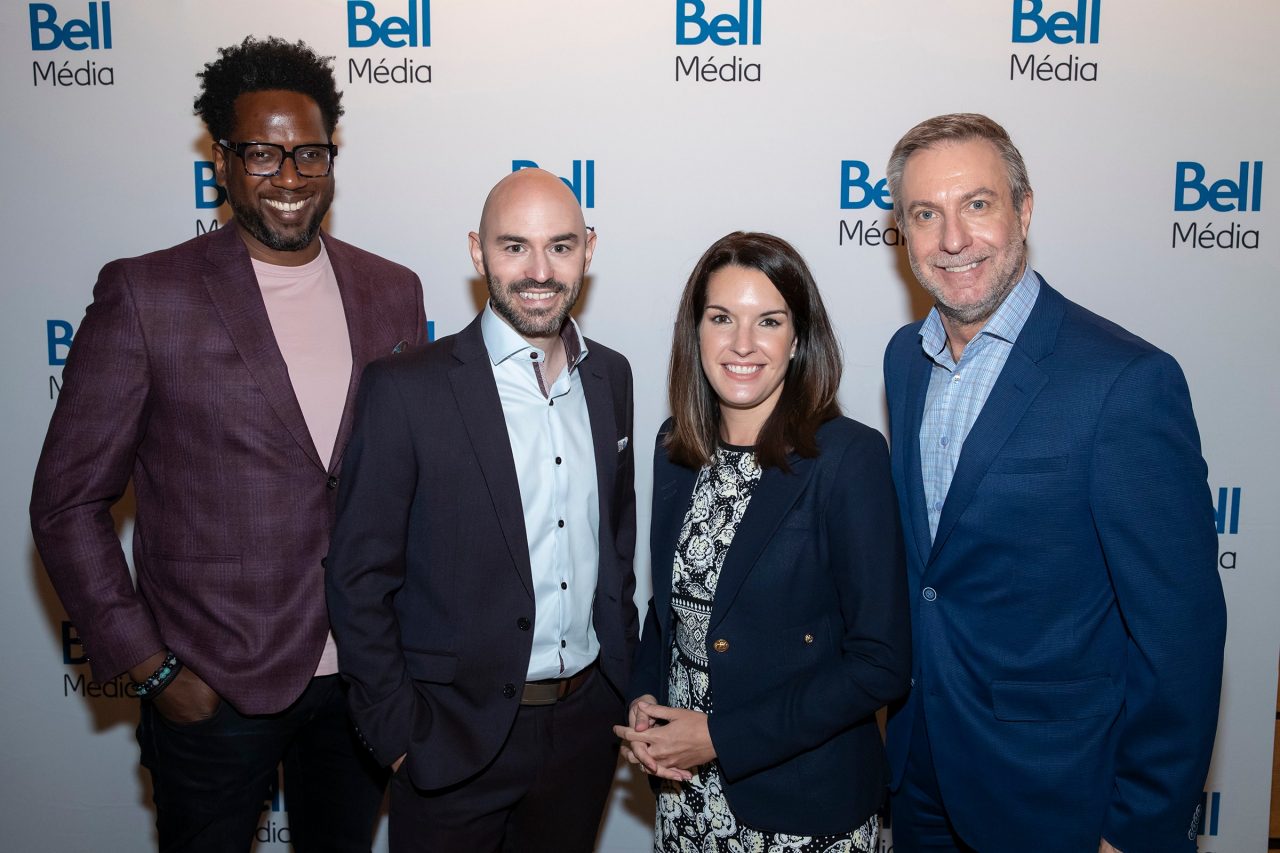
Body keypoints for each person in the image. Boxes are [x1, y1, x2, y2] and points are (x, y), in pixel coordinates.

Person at [29, 36, 427, 852]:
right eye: (262, 152)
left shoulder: (394, 291)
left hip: (361, 683)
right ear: (221, 158)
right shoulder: (148, 294)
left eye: (309, 152)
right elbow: (67, 500)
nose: (289, 176)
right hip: (213, 687)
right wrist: (152, 668)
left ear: (331, 156)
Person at [880, 113, 1226, 853]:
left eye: (977, 204)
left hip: (1061, 796)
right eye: (924, 214)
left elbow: (1181, 637)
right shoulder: (903, 361)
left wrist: (1137, 830)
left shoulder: (1125, 383)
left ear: (1023, 210)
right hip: (922, 777)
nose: (952, 238)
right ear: (902, 233)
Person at [324, 167, 637, 853]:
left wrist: (621, 685)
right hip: (450, 740)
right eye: (513, 246)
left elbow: (614, 544)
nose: (538, 270)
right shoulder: (406, 389)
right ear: (476, 252)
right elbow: (358, 577)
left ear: (588, 248)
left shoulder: (611, 375)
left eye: (560, 246)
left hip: (584, 729)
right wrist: (401, 736)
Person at [615, 231, 911, 852]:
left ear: (798, 338)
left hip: (803, 805)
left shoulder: (847, 459)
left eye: (768, 321)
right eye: (722, 318)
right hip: (686, 793)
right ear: (694, 333)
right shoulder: (676, 446)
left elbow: (881, 663)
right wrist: (646, 698)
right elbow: (667, 614)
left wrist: (721, 737)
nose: (743, 344)